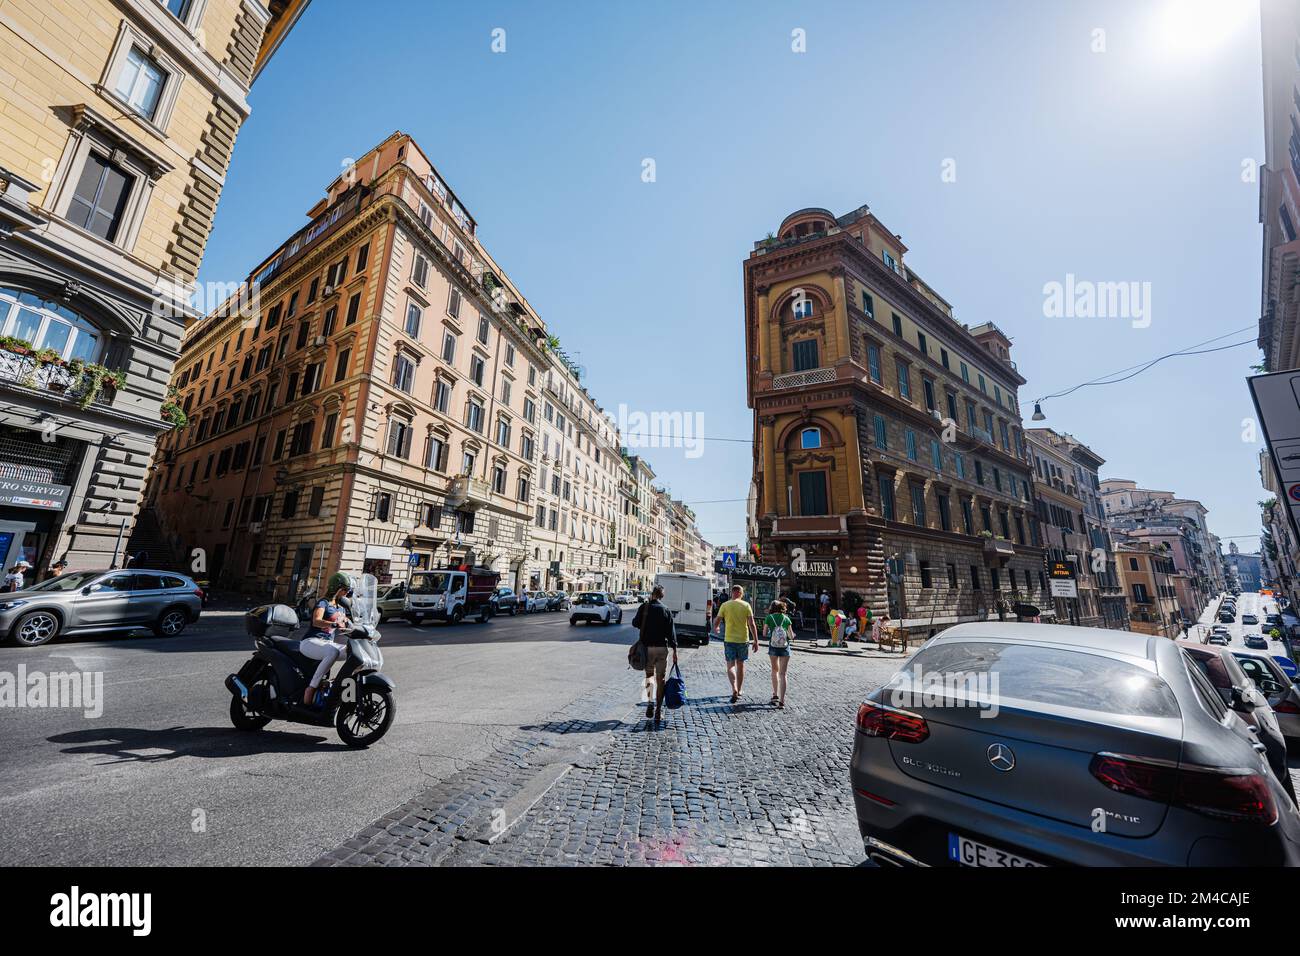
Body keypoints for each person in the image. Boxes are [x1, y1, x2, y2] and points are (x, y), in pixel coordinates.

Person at [300, 571, 353, 706]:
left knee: (353, 653)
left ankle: (338, 684)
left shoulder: (341, 608)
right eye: (345, 589)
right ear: (337, 588)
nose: (347, 592)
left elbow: (347, 626)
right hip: (311, 641)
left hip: (327, 643)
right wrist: (334, 624)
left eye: (348, 590)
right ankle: (311, 688)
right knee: (332, 652)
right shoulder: (323, 603)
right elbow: (316, 621)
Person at [632, 585, 678, 726]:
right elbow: (671, 633)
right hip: (661, 649)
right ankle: (658, 710)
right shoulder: (665, 610)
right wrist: (675, 651)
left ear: (652, 594)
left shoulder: (644, 607)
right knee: (661, 679)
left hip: (647, 649)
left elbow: (635, 623)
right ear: (662, 596)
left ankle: (650, 702)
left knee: (649, 677)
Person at [715, 584, 758, 704]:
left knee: (730, 665)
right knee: (741, 665)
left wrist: (717, 628)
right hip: (743, 640)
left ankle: (733, 688)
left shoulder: (725, 605)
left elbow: (717, 621)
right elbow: (752, 624)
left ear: (732, 593)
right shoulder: (746, 605)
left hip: (729, 639)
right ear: (740, 593)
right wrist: (756, 640)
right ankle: (738, 690)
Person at [764, 599, 793, 708]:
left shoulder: (769, 618)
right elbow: (791, 636)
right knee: (783, 673)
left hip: (773, 647)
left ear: (772, 608)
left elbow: (764, 633)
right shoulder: (787, 619)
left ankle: (775, 695)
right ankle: (782, 700)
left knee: (774, 670)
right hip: (785, 647)